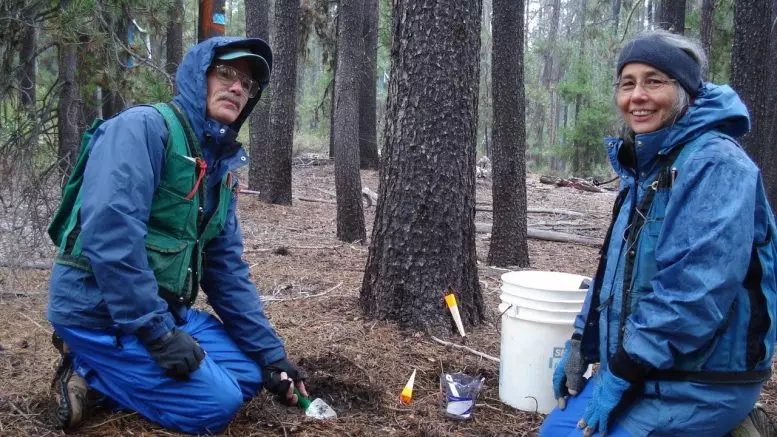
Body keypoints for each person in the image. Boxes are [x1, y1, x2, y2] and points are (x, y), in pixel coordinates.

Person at [46, 36, 308, 435]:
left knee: (253, 376)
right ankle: (84, 364)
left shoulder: (218, 169)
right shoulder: (142, 128)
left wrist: (272, 356)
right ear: (197, 75)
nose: (238, 87)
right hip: (97, 310)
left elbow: (226, 270)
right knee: (215, 406)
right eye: (226, 73)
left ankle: (110, 367)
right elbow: (111, 236)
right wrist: (158, 334)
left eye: (248, 84)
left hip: (162, 310)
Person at [539, 30, 777, 437]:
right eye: (627, 83)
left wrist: (622, 371)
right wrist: (585, 339)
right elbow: (614, 269)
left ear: (684, 90)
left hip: (701, 379)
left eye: (655, 81)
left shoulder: (716, 163)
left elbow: (696, 290)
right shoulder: (646, 166)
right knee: (556, 431)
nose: (638, 96)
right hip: (646, 369)